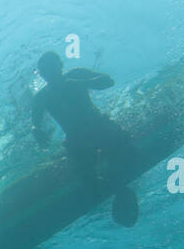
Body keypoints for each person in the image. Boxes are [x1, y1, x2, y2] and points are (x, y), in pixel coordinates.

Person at [31, 51, 140, 226]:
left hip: (99, 126)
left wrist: (82, 83)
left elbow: (108, 81)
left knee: (127, 151)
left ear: (60, 66)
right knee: (87, 181)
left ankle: (121, 189)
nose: (50, 74)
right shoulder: (42, 97)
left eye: (52, 68)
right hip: (76, 140)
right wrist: (36, 131)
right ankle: (117, 191)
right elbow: (35, 122)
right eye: (46, 71)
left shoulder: (76, 74)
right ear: (42, 75)